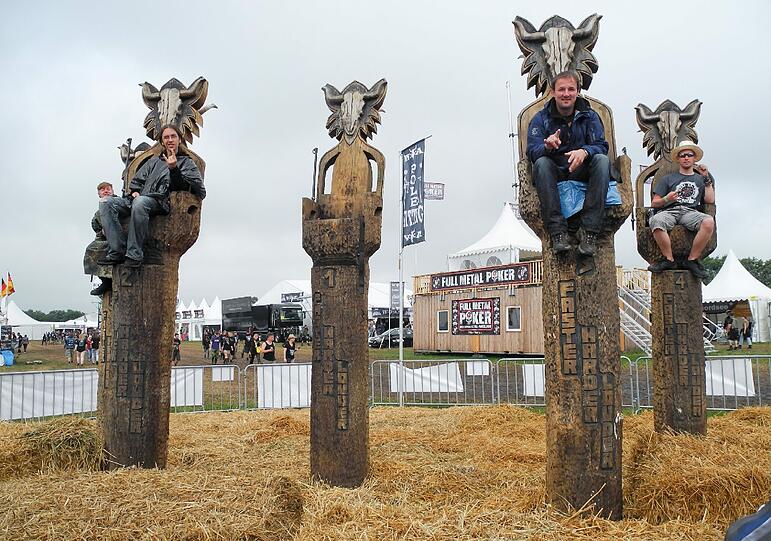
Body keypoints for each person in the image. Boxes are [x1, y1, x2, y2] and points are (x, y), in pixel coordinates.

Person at [526, 70, 610, 257]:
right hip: (554, 171)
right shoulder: (540, 118)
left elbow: (601, 146)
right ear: (553, 92)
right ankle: (558, 233)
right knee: (541, 164)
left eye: (571, 89)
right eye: (561, 89)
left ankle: (589, 233)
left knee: (602, 161)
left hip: (582, 170)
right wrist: (547, 146)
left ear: (577, 92)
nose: (566, 94)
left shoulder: (590, 116)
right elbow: (531, 151)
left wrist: (585, 151)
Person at [98, 124, 206, 267]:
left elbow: (196, 190)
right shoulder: (153, 162)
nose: (170, 140)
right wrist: (134, 191)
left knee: (140, 202)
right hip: (139, 199)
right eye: (166, 137)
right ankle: (117, 250)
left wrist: (174, 169)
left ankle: (134, 254)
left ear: (179, 139)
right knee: (106, 202)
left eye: (173, 136)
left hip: (161, 202)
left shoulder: (186, 162)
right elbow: (136, 181)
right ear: (162, 142)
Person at [647, 141, 715, 278]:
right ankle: (668, 259)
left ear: (694, 158)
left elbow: (709, 200)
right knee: (656, 221)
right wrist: (667, 199)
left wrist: (706, 178)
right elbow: (655, 203)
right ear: (678, 159)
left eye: (689, 155)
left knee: (708, 222)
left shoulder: (700, 179)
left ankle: (692, 260)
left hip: (690, 212)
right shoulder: (668, 179)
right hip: (670, 211)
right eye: (683, 155)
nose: (686, 158)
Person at [88, 182, 117, 295]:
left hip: (122, 237)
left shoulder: (120, 203)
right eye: (102, 190)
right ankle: (106, 281)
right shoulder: (98, 213)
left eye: (108, 189)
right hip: (106, 239)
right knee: (93, 250)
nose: (106, 191)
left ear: (113, 191)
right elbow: (95, 226)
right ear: (99, 194)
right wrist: (102, 232)